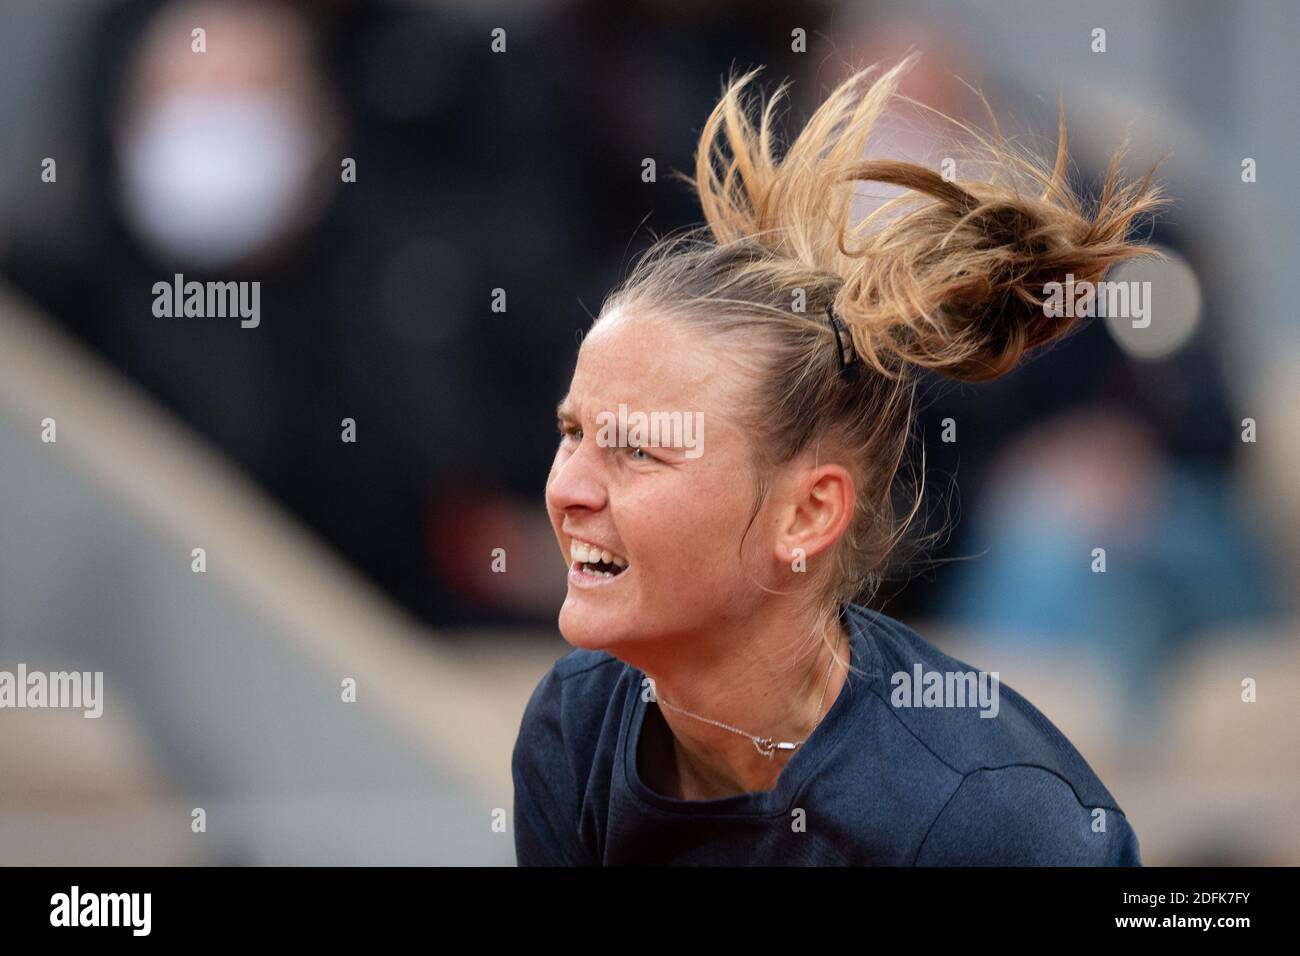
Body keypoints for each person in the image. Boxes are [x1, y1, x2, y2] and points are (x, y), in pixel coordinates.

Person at [512, 56, 1165, 865]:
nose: (567, 489)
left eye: (637, 450)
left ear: (809, 513)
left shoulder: (990, 816)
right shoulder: (573, 730)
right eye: (572, 433)